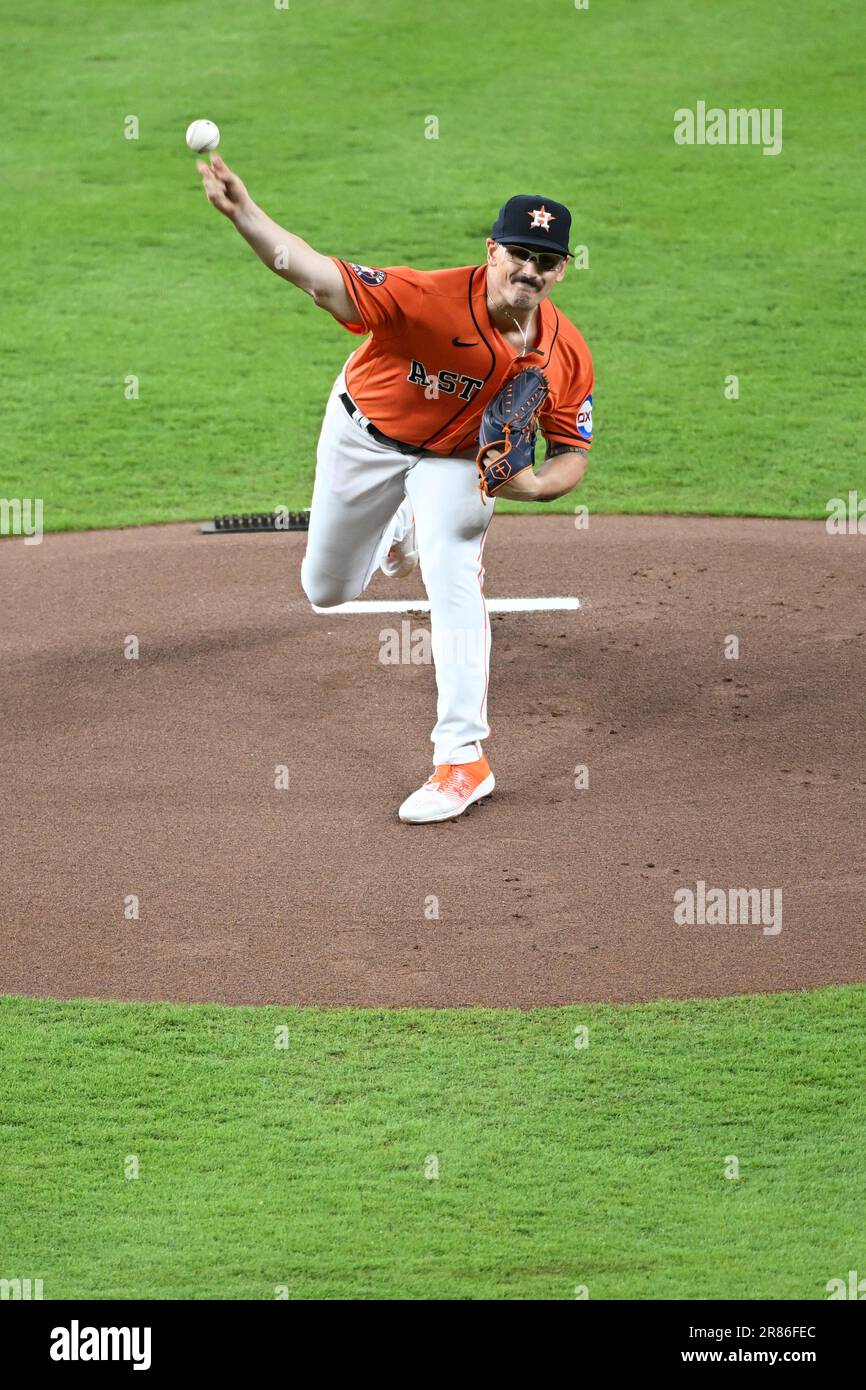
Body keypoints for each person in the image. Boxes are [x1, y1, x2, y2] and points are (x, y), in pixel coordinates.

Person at [197, 156, 593, 823]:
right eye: (519, 253)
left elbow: (572, 454)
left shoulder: (566, 350)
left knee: (454, 572)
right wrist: (246, 215)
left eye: (546, 261)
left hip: (456, 462)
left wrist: (525, 485)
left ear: (563, 269)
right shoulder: (424, 297)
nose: (531, 270)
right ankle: (399, 520)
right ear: (491, 250)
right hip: (365, 435)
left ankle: (462, 759)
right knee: (327, 590)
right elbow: (317, 276)